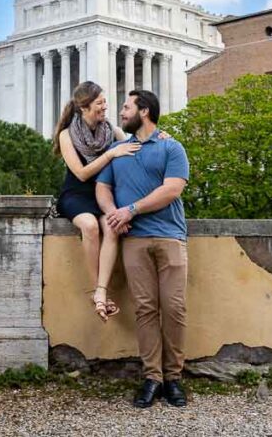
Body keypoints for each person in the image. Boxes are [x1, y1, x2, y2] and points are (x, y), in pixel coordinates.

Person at [96, 89, 190, 409]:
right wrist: (113, 213)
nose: (121, 112)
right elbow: (102, 188)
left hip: (169, 238)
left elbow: (172, 190)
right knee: (145, 310)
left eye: (126, 107)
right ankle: (153, 378)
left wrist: (131, 209)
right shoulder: (118, 149)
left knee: (174, 309)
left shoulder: (170, 146)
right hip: (133, 242)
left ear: (144, 111)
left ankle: (174, 378)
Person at [53, 81, 140, 321]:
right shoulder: (66, 135)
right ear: (84, 107)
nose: (105, 107)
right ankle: (96, 291)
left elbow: (136, 146)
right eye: (99, 102)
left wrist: (158, 137)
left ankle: (102, 290)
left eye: (104, 101)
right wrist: (111, 153)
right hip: (75, 195)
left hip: (103, 196)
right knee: (90, 226)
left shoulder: (111, 130)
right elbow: (81, 173)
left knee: (111, 227)